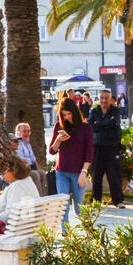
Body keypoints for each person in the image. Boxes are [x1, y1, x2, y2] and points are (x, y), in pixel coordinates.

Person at [49, 97, 92, 230]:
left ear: (75, 111)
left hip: (79, 172)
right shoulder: (59, 126)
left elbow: (89, 153)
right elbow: (52, 151)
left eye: (69, 114)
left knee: (79, 208)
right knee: (63, 205)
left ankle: (89, 232)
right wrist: (58, 139)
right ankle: (65, 234)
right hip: (62, 171)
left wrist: (84, 173)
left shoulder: (86, 128)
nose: (67, 117)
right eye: (64, 115)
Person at [87, 90, 125, 207]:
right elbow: (91, 127)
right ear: (99, 99)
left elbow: (114, 124)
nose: (103, 100)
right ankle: (96, 201)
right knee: (96, 175)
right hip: (97, 148)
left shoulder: (115, 111)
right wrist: (106, 125)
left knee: (114, 175)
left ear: (110, 99)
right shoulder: (94, 111)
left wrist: (100, 124)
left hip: (112, 147)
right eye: (102, 98)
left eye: (106, 98)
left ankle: (118, 201)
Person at [0, 157, 40, 228]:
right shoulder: (28, 181)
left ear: (14, 170)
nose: (3, 178)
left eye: (4, 174)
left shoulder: (16, 187)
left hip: (18, 229)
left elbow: (9, 215)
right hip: (29, 227)